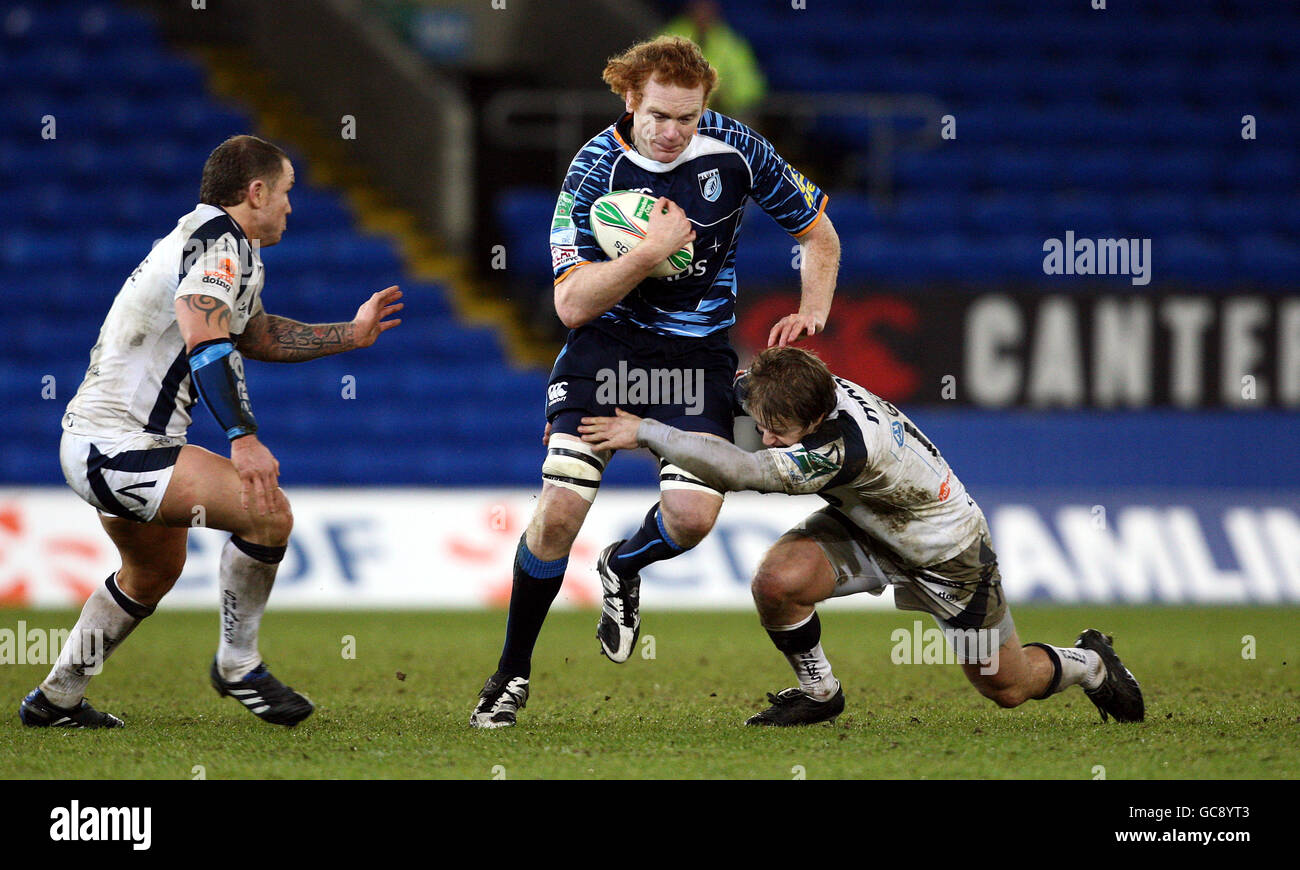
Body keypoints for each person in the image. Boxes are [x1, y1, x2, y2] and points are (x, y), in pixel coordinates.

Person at [470, 36, 840, 727]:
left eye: (688, 118)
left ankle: (623, 565)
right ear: (631, 101)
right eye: (660, 117)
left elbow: (819, 233)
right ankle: (510, 675)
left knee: (694, 519)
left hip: (698, 358)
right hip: (605, 348)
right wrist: (648, 253)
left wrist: (812, 308)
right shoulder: (592, 171)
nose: (674, 133)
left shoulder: (736, 148)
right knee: (557, 513)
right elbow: (572, 305)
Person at [19, 134, 403, 728]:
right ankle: (237, 663)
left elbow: (256, 336)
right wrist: (243, 438)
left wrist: (350, 335)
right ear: (255, 192)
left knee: (150, 573)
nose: (290, 207)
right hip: (117, 445)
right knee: (268, 513)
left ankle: (56, 698)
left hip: (111, 443)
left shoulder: (226, 247)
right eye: (285, 192)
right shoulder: (216, 242)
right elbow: (205, 335)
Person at [579, 346, 1145, 726]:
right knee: (777, 583)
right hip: (868, 523)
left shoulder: (839, 449)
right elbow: (730, 398)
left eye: (780, 433)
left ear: (814, 422)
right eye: (766, 426)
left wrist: (645, 431)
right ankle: (820, 694)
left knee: (1006, 687)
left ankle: (1090, 663)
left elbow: (741, 470)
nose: (770, 440)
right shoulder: (797, 390)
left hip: (945, 551)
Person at [661, 1, 767, 121]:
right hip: (679, 108)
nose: (703, 12)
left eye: (707, 7)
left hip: (722, 110)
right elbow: (659, 76)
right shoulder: (670, 36)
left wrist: (726, 96)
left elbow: (749, 86)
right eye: (699, 7)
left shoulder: (729, 41)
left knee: (741, 120)